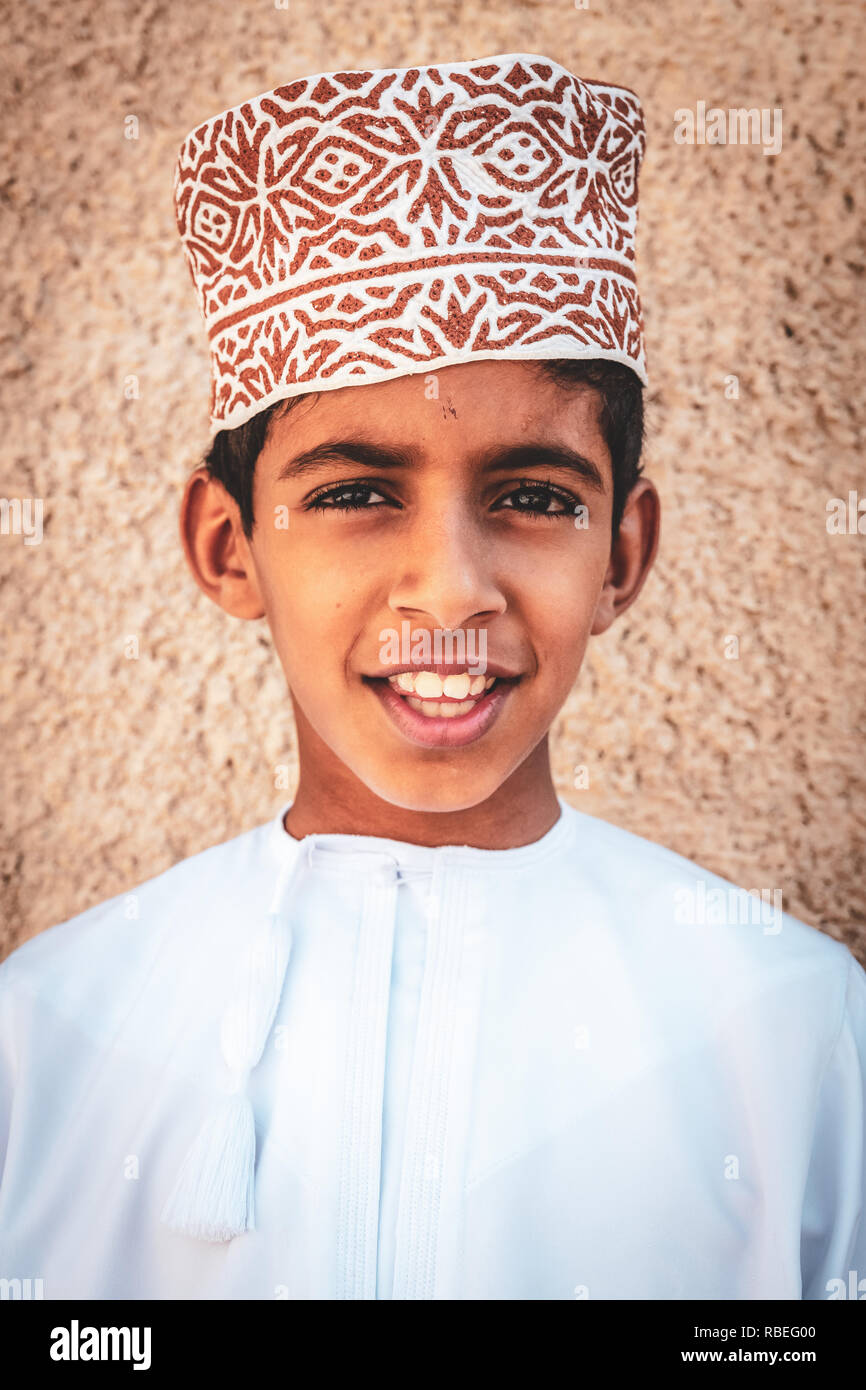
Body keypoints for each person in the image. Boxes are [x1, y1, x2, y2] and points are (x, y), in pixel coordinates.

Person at [1, 52, 863, 1301]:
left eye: (533, 497)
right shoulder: (48, 1032)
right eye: (355, 492)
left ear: (622, 554)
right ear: (229, 546)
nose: (450, 591)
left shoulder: (793, 1031)